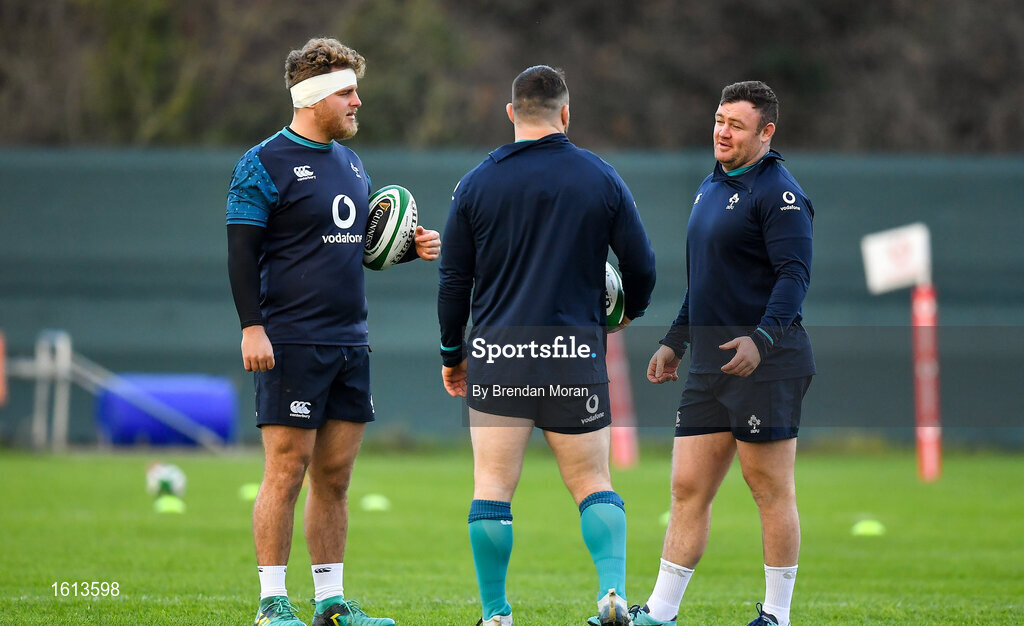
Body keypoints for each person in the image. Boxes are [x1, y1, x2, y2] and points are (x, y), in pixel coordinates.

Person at [226, 37, 441, 626]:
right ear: (313, 97)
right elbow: (240, 255)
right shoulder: (262, 162)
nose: (357, 102)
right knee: (286, 468)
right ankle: (273, 604)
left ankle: (331, 604)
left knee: (336, 476)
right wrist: (252, 327)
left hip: (351, 340)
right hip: (290, 339)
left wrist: (407, 250)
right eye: (347, 91)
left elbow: (361, 250)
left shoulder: (351, 164)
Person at [437, 65, 657, 626]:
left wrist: (451, 353)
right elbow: (642, 266)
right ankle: (611, 591)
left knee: (492, 489)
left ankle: (495, 614)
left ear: (511, 113)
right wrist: (628, 311)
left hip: (499, 354)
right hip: (573, 354)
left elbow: (454, 281)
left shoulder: (476, 183)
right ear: (566, 113)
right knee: (592, 484)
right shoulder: (600, 177)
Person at [624, 81, 815, 626]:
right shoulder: (711, 186)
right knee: (687, 488)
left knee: (769, 489)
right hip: (709, 365)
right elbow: (703, 282)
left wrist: (762, 339)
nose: (722, 131)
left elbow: (794, 276)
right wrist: (675, 339)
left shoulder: (778, 192)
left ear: (766, 132)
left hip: (765, 362)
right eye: (718, 120)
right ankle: (659, 613)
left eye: (736, 124)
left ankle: (775, 615)